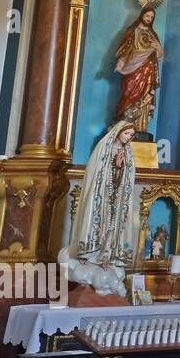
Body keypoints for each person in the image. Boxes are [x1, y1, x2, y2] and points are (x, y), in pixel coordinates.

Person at [61, 119, 137, 296]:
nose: (128, 138)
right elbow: (97, 172)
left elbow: (127, 175)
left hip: (116, 200)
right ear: (118, 131)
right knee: (97, 224)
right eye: (126, 133)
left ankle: (107, 257)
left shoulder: (128, 152)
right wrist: (113, 164)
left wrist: (121, 167)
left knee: (112, 227)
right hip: (101, 198)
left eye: (131, 135)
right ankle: (89, 255)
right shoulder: (104, 147)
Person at [114, 0, 164, 135]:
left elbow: (160, 55)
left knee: (144, 97)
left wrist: (156, 48)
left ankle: (140, 127)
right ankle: (125, 125)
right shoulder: (132, 30)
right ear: (142, 15)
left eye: (151, 17)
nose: (148, 19)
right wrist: (120, 63)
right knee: (129, 93)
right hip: (132, 69)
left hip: (148, 69)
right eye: (147, 16)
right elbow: (124, 50)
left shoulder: (152, 34)